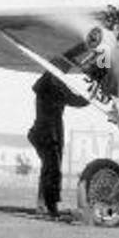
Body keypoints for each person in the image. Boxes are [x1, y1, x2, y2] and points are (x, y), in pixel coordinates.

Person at [27, 71, 90, 219]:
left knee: (48, 169)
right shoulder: (53, 86)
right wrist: (93, 95)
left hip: (42, 132)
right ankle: (50, 208)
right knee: (52, 171)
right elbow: (76, 100)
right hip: (48, 134)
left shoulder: (46, 84)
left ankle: (43, 206)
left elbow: (72, 98)